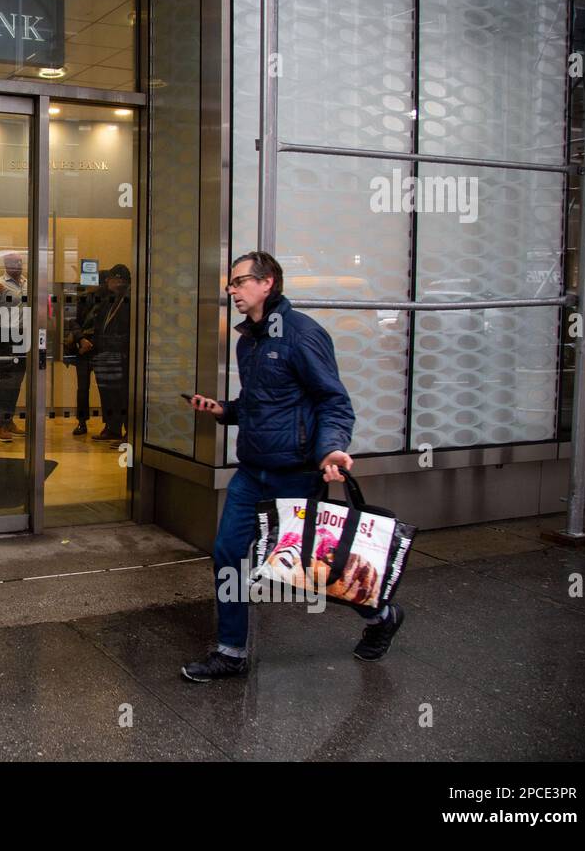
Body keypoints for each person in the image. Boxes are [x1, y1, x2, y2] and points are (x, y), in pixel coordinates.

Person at [182, 251, 405, 680]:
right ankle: (231, 653)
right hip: (252, 471)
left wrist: (331, 450)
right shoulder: (248, 339)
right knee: (228, 552)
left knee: (310, 568)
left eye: (240, 281)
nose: (232, 290)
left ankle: (380, 615)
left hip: (296, 473)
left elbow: (333, 401)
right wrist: (224, 410)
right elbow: (259, 402)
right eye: (230, 283)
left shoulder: (303, 335)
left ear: (268, 283)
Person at [0, 252, 27, 443]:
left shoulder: (26, 283)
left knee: (17, 379)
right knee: (7, 380)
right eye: (13, 262)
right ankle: (1, 425)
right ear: (5, 264)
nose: (17, 265)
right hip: (6, 335)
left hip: (23, 335)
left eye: (19, 262)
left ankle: (9, 420)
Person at [90, 264, 131, 447]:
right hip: (104, 354)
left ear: (121, 280)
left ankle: (130, 433)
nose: (107, 281)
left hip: (121, 356)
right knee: (108, 393)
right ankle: (112, 428)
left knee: (123, 395)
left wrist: (113, 343)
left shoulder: (130, 300)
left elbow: (131, 331)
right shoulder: (109, 300)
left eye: (111, 278)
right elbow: (100, 325)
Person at [65, 281, 102, 436]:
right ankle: (82, 422)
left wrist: (86, 341)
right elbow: (73, 321)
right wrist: (81, 339)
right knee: (82, 389)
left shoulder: (108, 300)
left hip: (99, 348)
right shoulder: (83, 299)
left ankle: (110, 426)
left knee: (104, 389)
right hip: (84, 349)